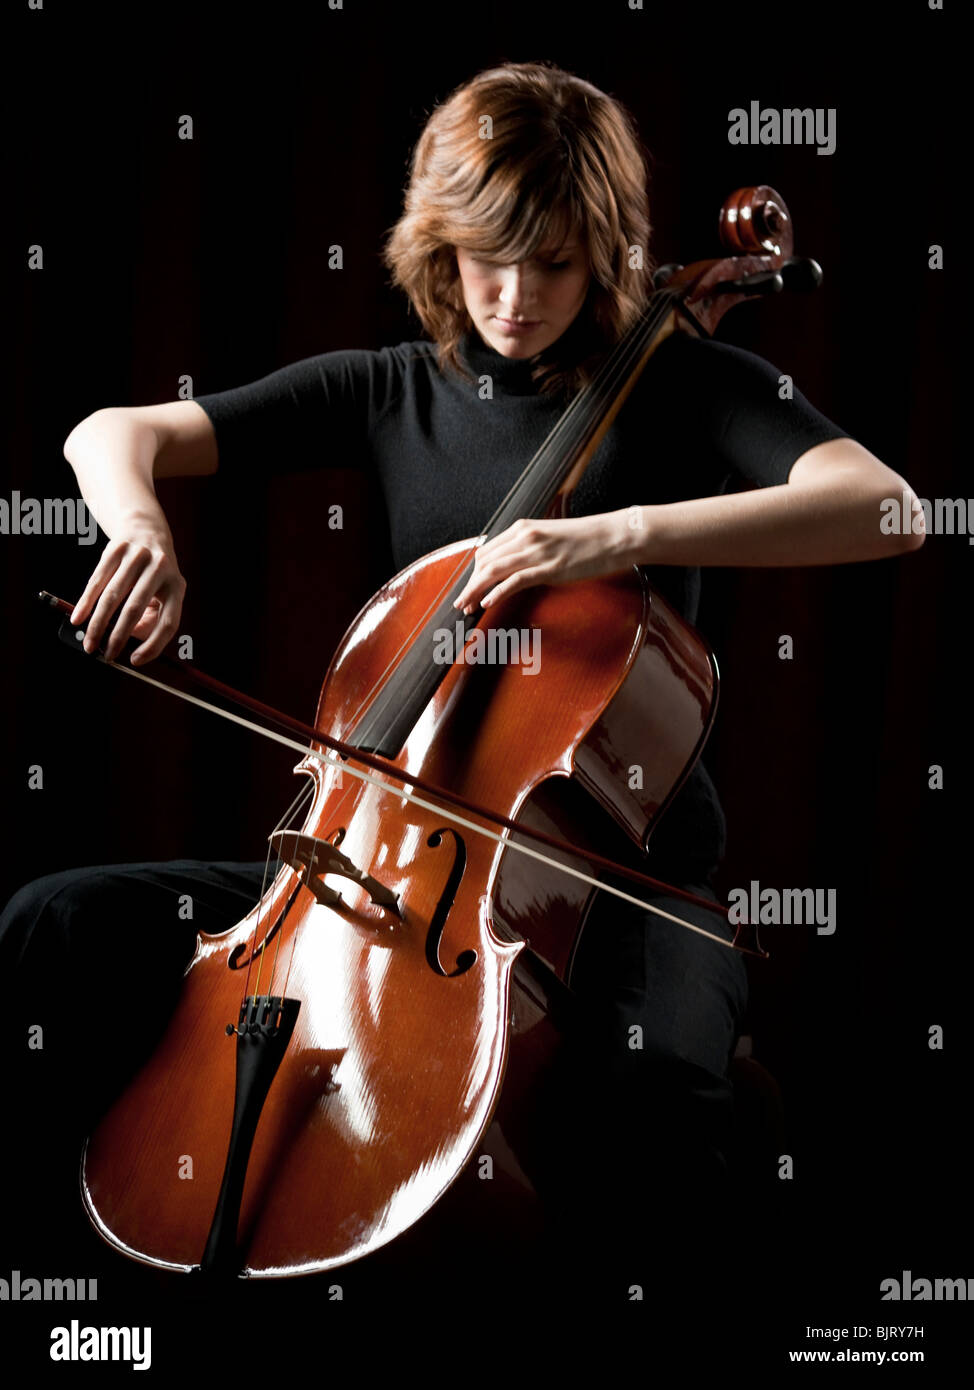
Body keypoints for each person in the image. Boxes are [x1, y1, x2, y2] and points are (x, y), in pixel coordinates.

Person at [1, 61, 922, 1299]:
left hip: (628, 895)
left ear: (603, 252)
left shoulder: (682, 386)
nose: (514, 295)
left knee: (651, 1091)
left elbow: (884, 510)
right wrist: (142, 527)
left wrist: (618, 534)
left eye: (550, 262)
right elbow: (110, 431)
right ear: (437, 245)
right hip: (380, 877)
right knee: (53, 920)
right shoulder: (390, 388)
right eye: (486, 257)